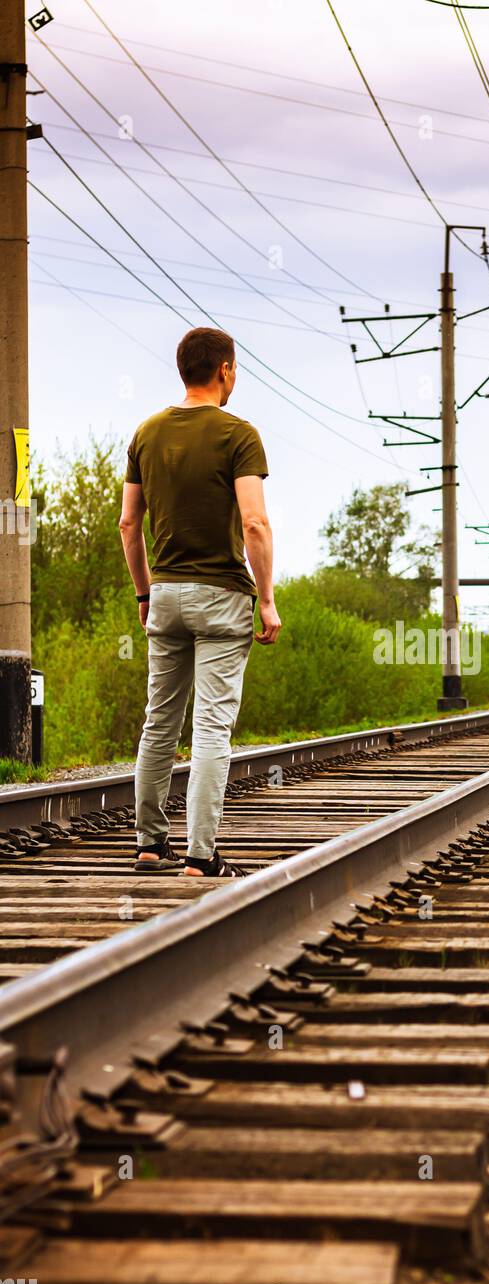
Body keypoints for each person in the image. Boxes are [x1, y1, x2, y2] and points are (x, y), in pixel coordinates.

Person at [119, 326, 281, 878]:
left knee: (158, 722)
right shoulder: (239, 434)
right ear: (226, 370)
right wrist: (267, 600)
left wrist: (145, 591)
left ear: (183, 368)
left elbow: (127, 523)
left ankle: (148, 844)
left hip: (163, 594)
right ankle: (200, 855)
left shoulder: (146, 433)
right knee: (211, 728)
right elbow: (255, 522)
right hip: (222, 596)